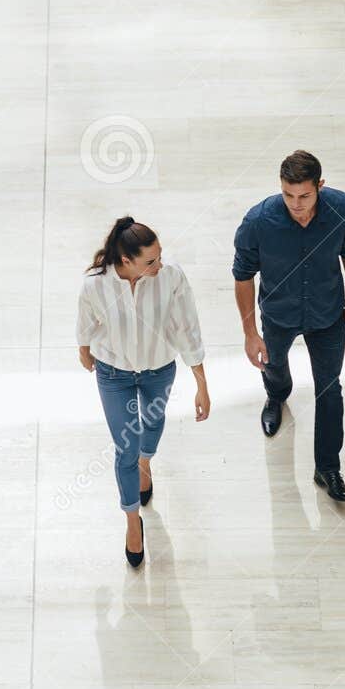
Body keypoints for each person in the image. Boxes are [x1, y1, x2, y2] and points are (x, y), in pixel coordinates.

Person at [77, 216, 210, 567]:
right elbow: (86, 324)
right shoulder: (95, 285)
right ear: (126, 261)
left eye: (160, 256)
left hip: (157, 370)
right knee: (125, 446)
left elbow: (187, 327)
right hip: (113, 374)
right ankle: (133, 521)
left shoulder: (169, 278)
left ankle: (145, 464)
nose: (159, 264)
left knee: (152, 426)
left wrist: (201, 382)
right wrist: (84, 349)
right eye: (150, 261)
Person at [233, 151, 345, 502]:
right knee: (273, 364)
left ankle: (328, 467)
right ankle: (277, 395)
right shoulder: (258, 221)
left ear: (320, 186)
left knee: (329, 387)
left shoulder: (343, 208)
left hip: (327, 312)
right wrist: (250, 333)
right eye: (289, 195)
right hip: (279, 312)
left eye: (304, 196)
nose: (296, 204)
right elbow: (243, 276)